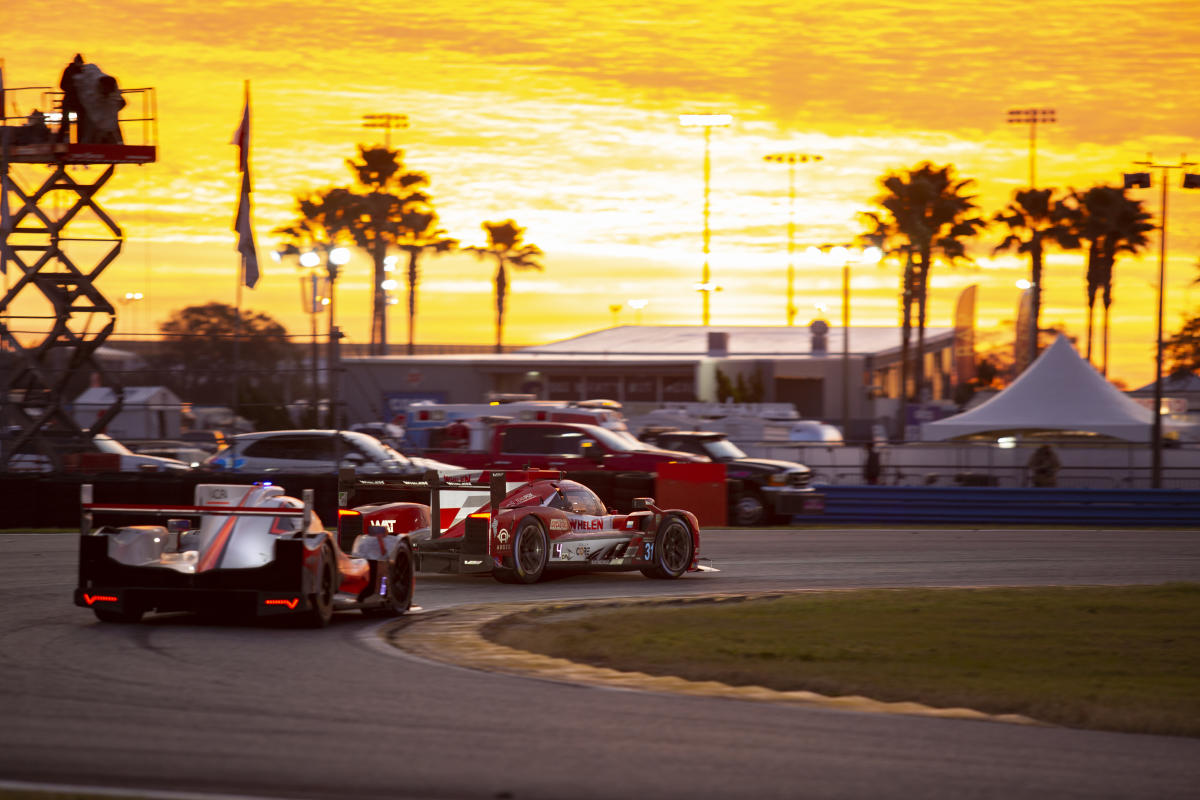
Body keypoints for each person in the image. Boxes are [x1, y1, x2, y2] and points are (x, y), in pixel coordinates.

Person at [57, 54, 86, 142]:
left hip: (79, 101)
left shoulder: (83, 71)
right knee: (65, 121)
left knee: (81, 122)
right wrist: (72, 88)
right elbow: (62, 85)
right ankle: (60, 141)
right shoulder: (68, 71)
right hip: (69, 100)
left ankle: (80, 142)